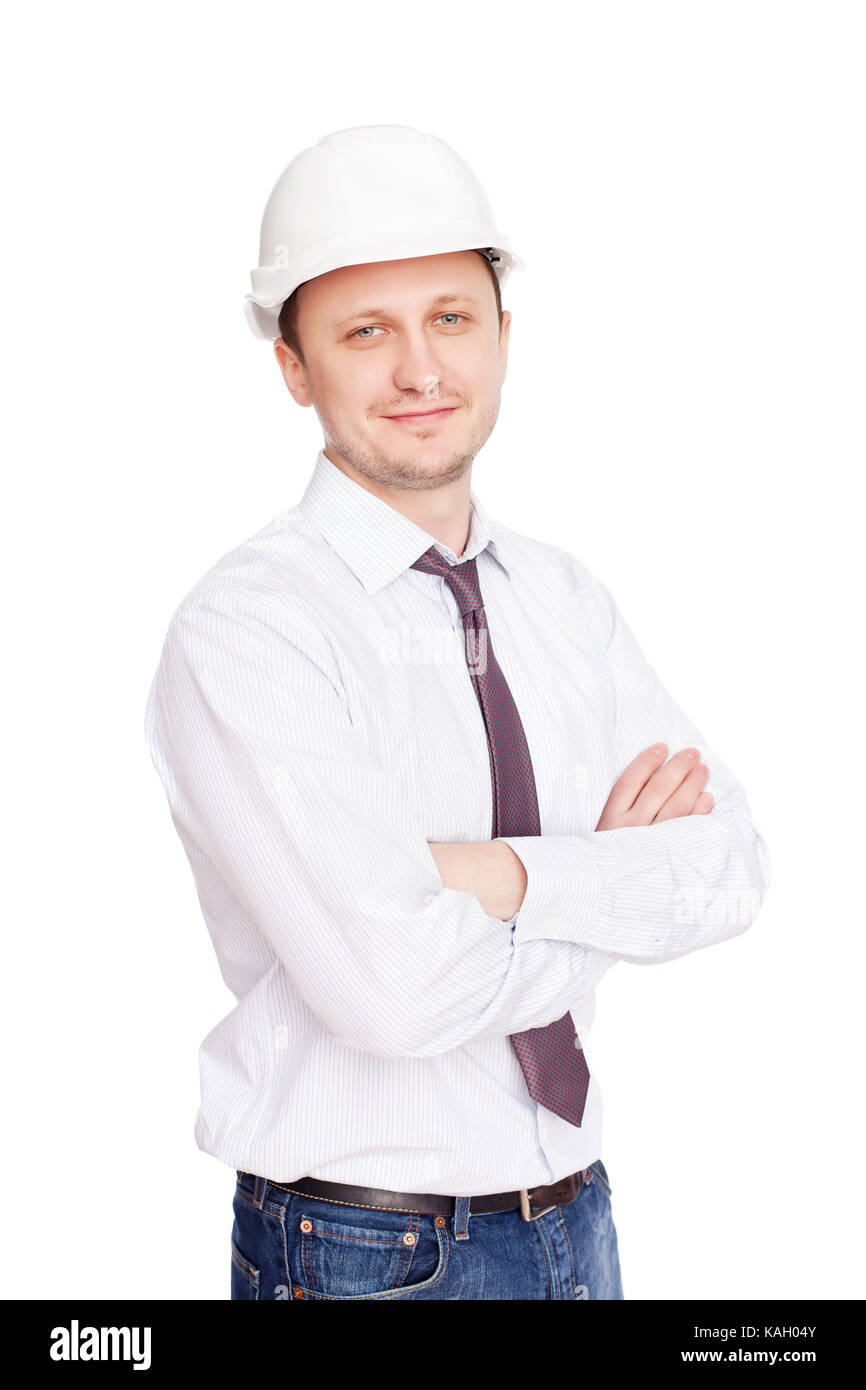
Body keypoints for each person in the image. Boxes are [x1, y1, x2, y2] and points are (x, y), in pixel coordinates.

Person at [144, 124, 771, 1301]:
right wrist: (611, 874)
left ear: (500, 335)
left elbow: (731, 868)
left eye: (450, 318)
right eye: (364, 331)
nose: (420, 371)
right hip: (366, 1255)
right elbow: (396, 991)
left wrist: (487, 875)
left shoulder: (562, 597)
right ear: (293, 366)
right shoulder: (248, 630)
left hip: (577, 1216)